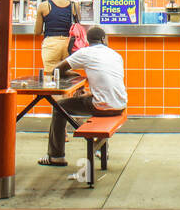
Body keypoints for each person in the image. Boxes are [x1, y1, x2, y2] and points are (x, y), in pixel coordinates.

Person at [38, 26, 127, 166]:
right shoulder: (116, 55)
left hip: (101, 106)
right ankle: (99, 145)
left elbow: (57, 70)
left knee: (59, 107)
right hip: (121, 105)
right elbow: (108, 84)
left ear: (87, 40)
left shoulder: (85, 53)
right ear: (103, 39)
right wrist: (89, 93)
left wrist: (75, 75)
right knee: (92, 102)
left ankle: (56, 156)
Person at [33, 0, 78, 69]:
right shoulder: (73, 5)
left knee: (50, 74)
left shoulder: (44, 6)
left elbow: (37, 31)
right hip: (68, 45)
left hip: (51, 44)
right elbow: (78, 24)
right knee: (66, 74)